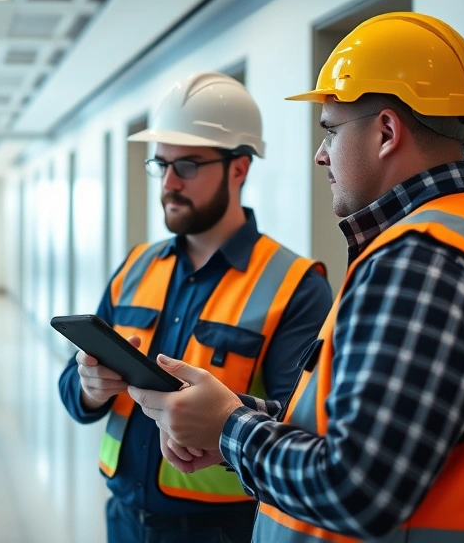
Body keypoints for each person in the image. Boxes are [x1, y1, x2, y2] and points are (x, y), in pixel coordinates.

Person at [128, 12, 464, 542]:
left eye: (331, 131)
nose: (321, 154)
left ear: (387, 131)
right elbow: (383, 433)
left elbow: (355, 488)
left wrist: (229, 429)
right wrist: (231, 414)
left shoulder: (421, 262)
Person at [57, 71, 332, 543]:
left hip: (219, 531)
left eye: (186, 165)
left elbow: (299, 430)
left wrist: (220, 424)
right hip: (123, 520)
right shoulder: (136, 266)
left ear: (239, 168)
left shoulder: (296, 285)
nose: (168, 182)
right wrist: (90, 388)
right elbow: (72, 389)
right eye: (160, 164)